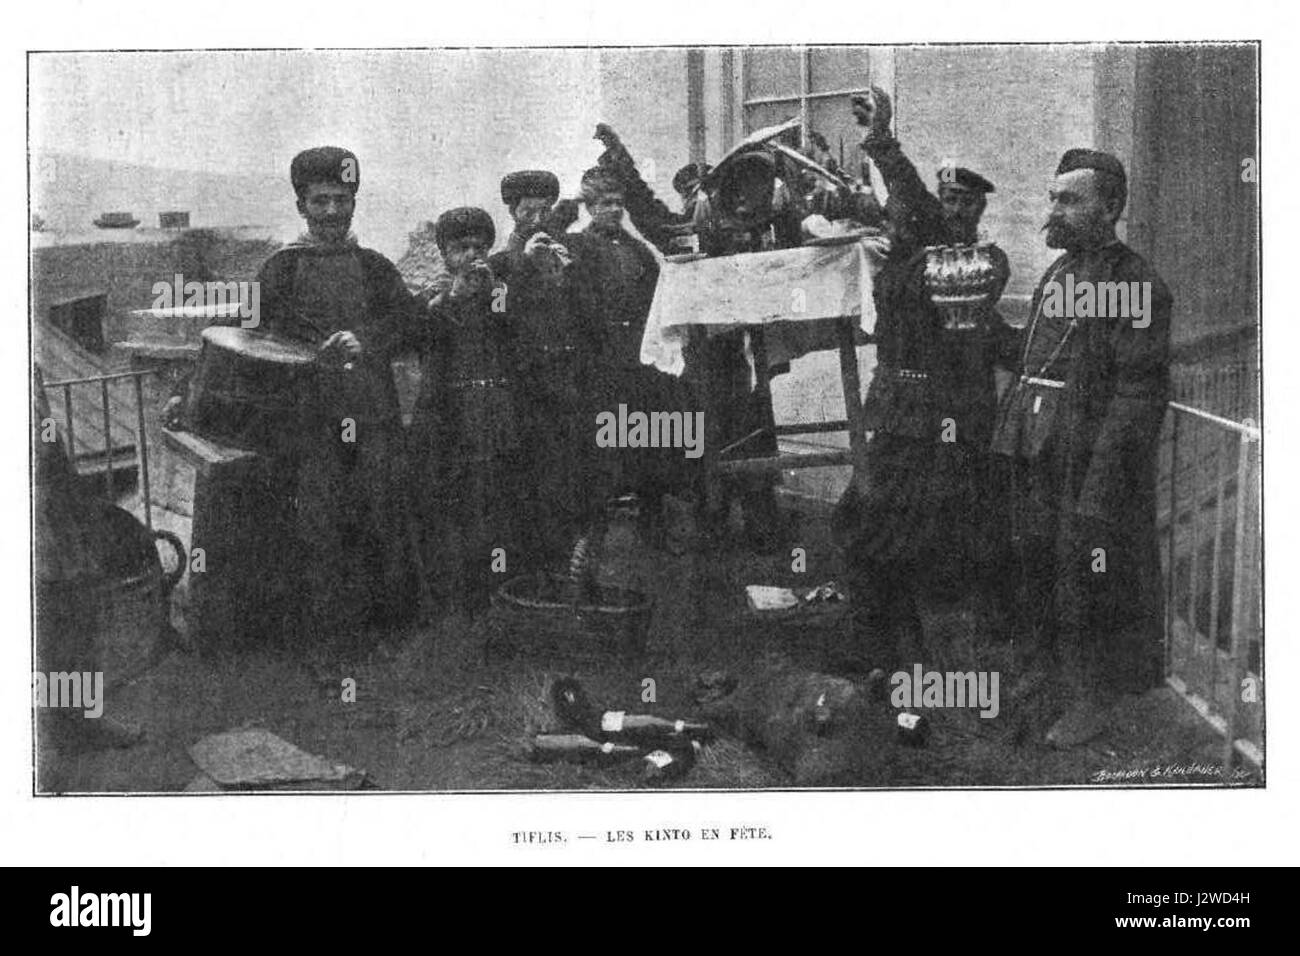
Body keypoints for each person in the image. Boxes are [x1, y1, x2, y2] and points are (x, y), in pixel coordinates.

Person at [168, 146, 421, 659]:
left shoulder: (375, 267)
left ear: (354, 203)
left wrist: (364, 339)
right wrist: (185, 394)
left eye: (342, 200)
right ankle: (321, 646)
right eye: (321, 201)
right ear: (302, 205)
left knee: (374, 516)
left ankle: (377, 635)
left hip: (370, 416)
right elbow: (237, 339)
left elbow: (411, 322)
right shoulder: (281, 268)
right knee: (315, 526)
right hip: (304, 420)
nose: (332, 212)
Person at [990, 148, 1171, 748]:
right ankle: (1045, 672)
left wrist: (1103, 480)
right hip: (1037, 445)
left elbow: (1138, 392)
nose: (1054, 210)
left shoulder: (1134, 282)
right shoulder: (1060, 271)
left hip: (1086, 455)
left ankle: (1093, 697)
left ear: (1111, 206)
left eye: (1070, 199)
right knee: (1037, 562)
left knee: (1089, 576)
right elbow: (1035, 351)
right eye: (1053, 198)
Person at [834, 87, 1015, 676]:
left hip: (942, 411)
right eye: (949, 199)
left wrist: (884, 144)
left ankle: (913, 649)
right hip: (895, 404)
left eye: (966, 202)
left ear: (978, 212)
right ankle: (887, 641)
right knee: (870, 519)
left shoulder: (975, 260)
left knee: (918, 525)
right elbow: (905, 211)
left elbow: (913, 205)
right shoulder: (908, 250)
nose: (955, 209)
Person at [410, 207, 525, 615]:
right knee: (453, 509)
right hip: (449, 418)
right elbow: (424, 345)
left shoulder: (499, 290)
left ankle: (497, 589)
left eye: (479, 247)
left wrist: (495, 296)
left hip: (494, 415)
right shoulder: (432, 296)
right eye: (461, 248)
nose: (472, 256)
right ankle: (456, 599)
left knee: (496, 504)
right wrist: (452, 300)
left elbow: (516, 337)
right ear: (444, 253)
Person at [488, 170, 592, 567]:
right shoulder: (499, 264)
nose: (536, 218)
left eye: (543, 210)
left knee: (569, 470)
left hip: (569, 379)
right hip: (524, 383)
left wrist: (569, 275)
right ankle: (533, 563)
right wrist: (526, 267)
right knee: (531, 472)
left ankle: (569, 558)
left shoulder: (567, 256)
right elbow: (497, 312)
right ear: (513, 214)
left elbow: (586, 316)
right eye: (527, 211)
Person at [564, 166, 675, 525]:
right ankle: (596, 531)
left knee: (647, 435)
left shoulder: (638, 249)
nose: (614, 210)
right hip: (600, 357)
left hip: (639, 353)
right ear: (590, 207)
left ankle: (652, 519)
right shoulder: (576, 246)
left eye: (618, 203)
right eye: (605, 203)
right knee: (604, 441)